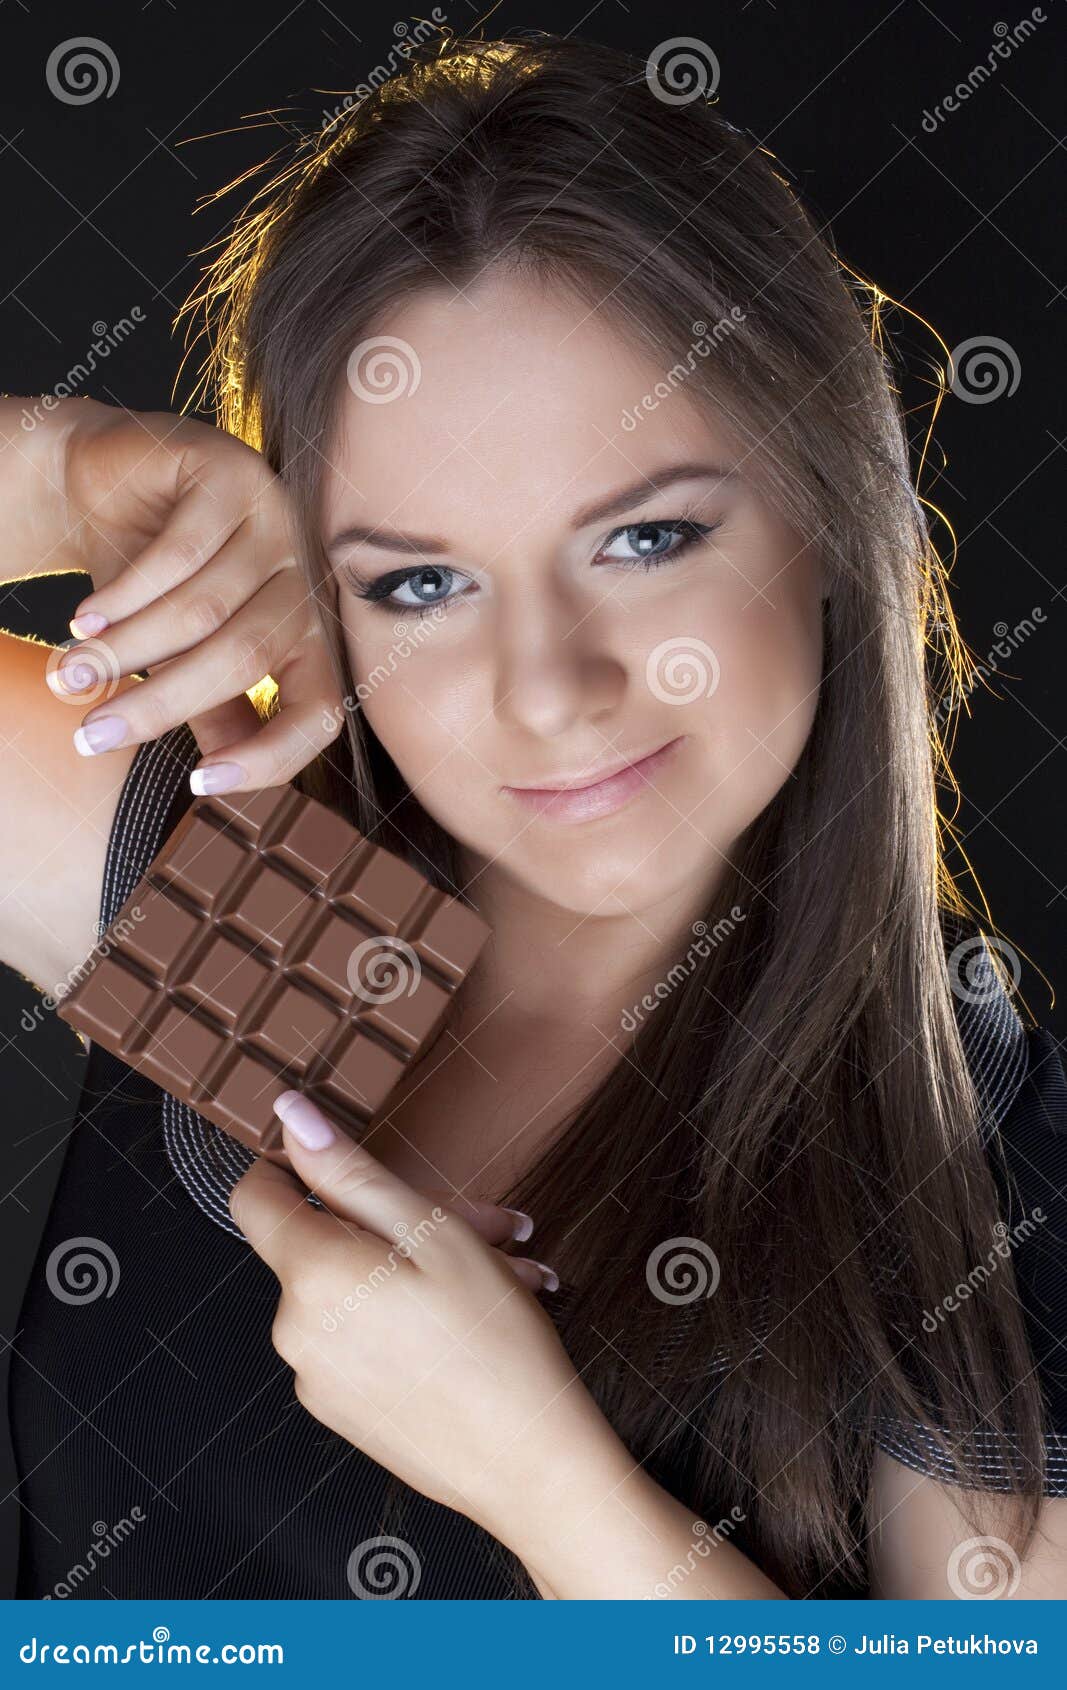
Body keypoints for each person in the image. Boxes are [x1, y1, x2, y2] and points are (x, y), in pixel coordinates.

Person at [2, 33, 1064, 1601]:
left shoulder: (970, 1150)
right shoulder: (264, 917)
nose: (548, 687)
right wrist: (70, 473)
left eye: (644, 538)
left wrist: (536, 1473)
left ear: (833, 513)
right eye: (421, 582)